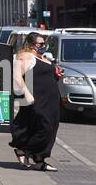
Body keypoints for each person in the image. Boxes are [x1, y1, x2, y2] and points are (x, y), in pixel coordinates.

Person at [9, 32, 61, 171]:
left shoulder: (42, 57)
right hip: (36, 97)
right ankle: (23, 150)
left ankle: (39, 159)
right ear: (32, 43)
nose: (43, 46)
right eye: (40, 44)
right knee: (45, 126)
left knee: (53, 126)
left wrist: (56, 74)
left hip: (51, 99)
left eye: (44, 44)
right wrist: (26, 93)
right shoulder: (23, 56)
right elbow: (17, 77)